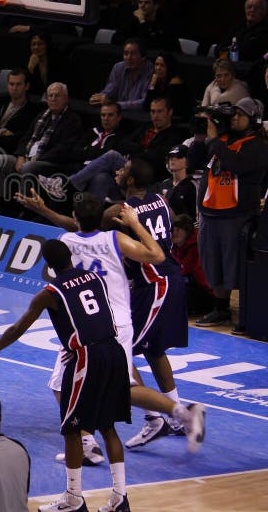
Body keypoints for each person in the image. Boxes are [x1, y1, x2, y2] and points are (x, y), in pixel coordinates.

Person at [13, 192, 206, 461]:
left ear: (77, 217)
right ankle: (181, 414)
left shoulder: (66, 241)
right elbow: (157, 254)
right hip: (120, 321)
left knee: (60, 384)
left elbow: (68, 245)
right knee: (124, 385)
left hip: (89, 323)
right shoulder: (115, 239)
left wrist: (44, 210)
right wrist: (136, 224)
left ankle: (87, 443)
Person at [0, 239, 131, 512]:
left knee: (72, 429)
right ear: (70, 256)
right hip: (115, 351)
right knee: (108, 427)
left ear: (47, 265)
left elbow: (17, 328)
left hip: (87, 356)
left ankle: (73, 497)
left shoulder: (50, 292)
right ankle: (120, 498)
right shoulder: (95, 278)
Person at [104, 159, 191, 450]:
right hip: (168, 278)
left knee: (120, 350)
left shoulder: (122, 211)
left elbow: (89, 225)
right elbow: (176, 227)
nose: (118, 171)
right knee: (154, 350)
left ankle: (155, 417)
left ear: (129, 181)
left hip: (156, 283)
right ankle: (177, 416)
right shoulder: (162, 200)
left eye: (123, 170)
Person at [190, 97, 268, 330]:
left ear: (253, 119)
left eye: (240, 115)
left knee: (235, 266)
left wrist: (214, 140)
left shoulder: (257, 144)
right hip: (210, 213)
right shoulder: (220, 139)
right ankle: (220, 309)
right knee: (213, 263)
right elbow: (194, 160)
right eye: (233, 114)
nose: (234, 118)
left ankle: (246, 314)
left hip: (237, 215)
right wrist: (201, 135)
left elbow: (236, 164)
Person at [60, 97, 183, 203]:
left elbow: (155, 159)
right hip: (127, 169)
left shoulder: (173, 136)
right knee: (101, 177)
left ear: (170, 112)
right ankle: (91, 219)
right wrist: (141, 151)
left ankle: (66, 185)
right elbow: (122, 144)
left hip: (146, 176)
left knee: (112, 156)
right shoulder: (144, 128)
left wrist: (136, 152)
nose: (155, 116)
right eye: (153, 112)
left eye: (160, 111)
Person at [89, 38, 154, 113]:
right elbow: (109, 91)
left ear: (143, 57)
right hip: (119, 114)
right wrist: (99, 98)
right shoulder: (118, 67)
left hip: (138, 116)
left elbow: (145, 102)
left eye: (133, 54)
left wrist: (116, 105)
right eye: (126, 54)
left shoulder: (151, 72)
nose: (129, 58)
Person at [170, 213, 214, 316]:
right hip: (193, 288)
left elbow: (198, 277)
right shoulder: (176, 248)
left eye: (178, 230)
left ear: (187, 231)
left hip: (206, 294)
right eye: (173, 230)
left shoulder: (196, 248)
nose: (174, 233)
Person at [216, 0, 268, 64]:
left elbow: (247, 53)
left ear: (263, 12)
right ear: (245, 9)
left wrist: (227, 50)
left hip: (249, 70)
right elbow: (217, 49)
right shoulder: (236, 28)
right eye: (249, 7)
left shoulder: (267, 31)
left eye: (256, 8)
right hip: (228, 67)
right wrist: (231, 51)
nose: (252, 10)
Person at [113, 0, 180, 52]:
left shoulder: (165, 23)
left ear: (156, 6)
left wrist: (142, 22)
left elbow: (153, 45)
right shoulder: (135, 20)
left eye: (147, 3)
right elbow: (115, 38)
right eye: (140, 2)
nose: (142, 6)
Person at [144, 53, 193, 121]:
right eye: (156, 64)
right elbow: (146, 106)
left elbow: (169, 108)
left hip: (178, 120)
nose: (158, 68)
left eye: (162, 65)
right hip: (163, 117)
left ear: (169, 67)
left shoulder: (176, 83)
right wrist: (152, 85)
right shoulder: (158, 81)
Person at [156, 144, 198, 220]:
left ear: (188, 161)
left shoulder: (192, 186)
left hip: (185, 229)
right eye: (171, 156)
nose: (172, 159)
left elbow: (196, 217)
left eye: (178, 156)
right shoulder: (164, 184)